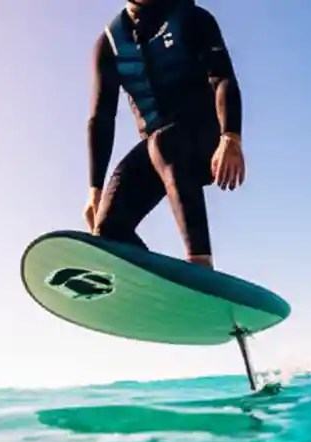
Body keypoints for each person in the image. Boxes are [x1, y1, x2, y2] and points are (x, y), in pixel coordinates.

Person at [82, 0, 245, 270]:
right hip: (160, 152)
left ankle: (200, 264)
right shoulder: (110, 43)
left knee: (164, 142)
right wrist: (94, 189)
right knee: (108, 226)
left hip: (206, 140)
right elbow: (101, 118)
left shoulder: (192, 18)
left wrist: (231, 136)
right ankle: (151, 284)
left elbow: (222, 78)